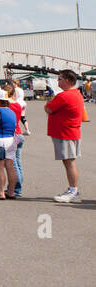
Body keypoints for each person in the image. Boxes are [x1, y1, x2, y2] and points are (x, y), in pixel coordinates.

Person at [46, 68, 84, 204]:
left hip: (65, 133)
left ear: (67, 81)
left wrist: (49, 104)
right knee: (69, 162)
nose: (58, 81)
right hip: (70, 132)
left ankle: (73, 191)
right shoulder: (76, 94)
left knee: (69, 162)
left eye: (60, 79)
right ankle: (73, 191)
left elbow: (48, 108)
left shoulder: (64, 96)